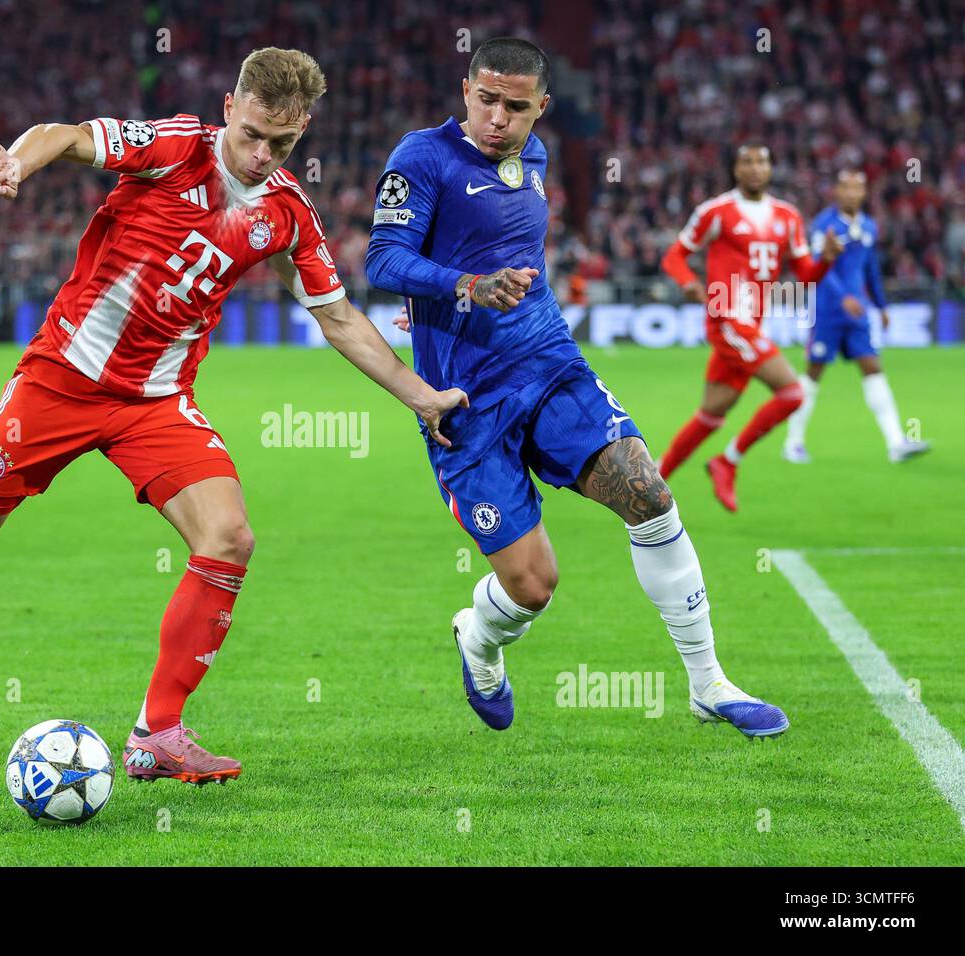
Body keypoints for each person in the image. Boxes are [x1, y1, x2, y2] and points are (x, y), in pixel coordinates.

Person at [0, 48, 467, 785]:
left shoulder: (286, 211)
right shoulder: (173, 148)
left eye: (282, 144)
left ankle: (157, 732)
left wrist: (424, 397)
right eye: (253, 134)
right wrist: (19, 164)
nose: (262, 156)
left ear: (303, 130)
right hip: (60, 381)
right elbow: (66, 135)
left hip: (156, 402)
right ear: (230, 107)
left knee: (229, 536)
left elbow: (341, 319)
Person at [366, 38, 787, 739]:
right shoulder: (422, 157)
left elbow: (515, 247)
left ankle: (709, 683)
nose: (498, 117)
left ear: (542, 110)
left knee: (648, 492)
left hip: (549, 364)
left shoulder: (534, 158)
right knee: (533, 586)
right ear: (465, 89)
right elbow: (383, 257)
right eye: (486, 99)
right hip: (464, 402)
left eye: (516, 106)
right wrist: (465, 285)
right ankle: (480, 640)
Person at [658, 144, 841, 511]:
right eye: (747, 162)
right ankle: (728, 461)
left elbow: (806, 274)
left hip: (753, 323)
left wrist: (826, 260)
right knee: (792, 393)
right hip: (727, 317)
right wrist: (689, 284)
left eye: (762, 161)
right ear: (735, 169)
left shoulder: (787, 217)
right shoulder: (715, 212)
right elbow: (675, 255)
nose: (755, 168)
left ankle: (654, 482)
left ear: (771, 168)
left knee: (711, 413)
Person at [783, 169, 930, 463]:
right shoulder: (825, 225)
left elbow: (870, 270)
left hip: (858, 313)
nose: (851, 193)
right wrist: (843, 298)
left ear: (864, 193)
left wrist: (882, 305)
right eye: (846, 188)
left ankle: (896, 443)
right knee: (813, 375)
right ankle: (793, 443)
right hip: (827, 312)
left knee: (873, 369)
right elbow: (817, 265)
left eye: (857, 188)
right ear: (836, 192)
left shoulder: (869, 226)